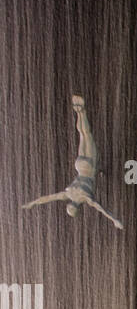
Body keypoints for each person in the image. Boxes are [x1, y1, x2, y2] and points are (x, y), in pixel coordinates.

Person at [22, 95, 123, 229]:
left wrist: (115, 220)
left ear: (78, 208)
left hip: (90, 166)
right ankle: (78, 112)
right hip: (80, 166)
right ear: (69, 205)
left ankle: (82, 111)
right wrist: (32, 203)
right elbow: (47, 198)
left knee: (87, 135)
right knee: (82, 134)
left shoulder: (85, 198)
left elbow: (101, 209)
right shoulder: (67, 194)